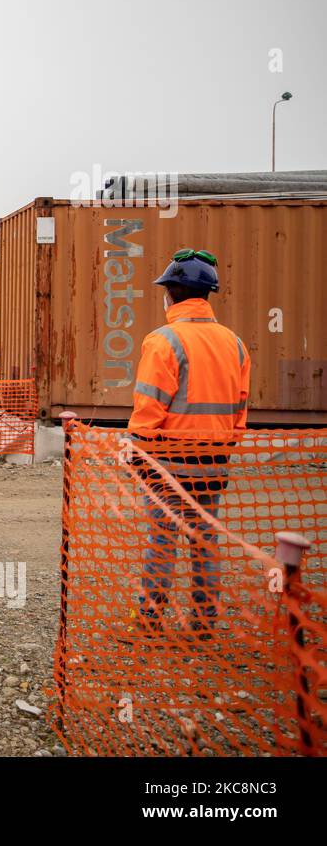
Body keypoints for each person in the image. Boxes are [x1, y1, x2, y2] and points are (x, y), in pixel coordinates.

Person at [124, 248, 250, 641]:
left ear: (172, 293)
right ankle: (203, 621)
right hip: (213, 464)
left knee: (162, 540)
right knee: (204, 540)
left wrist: (136, 450)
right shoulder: (235, 343)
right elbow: (240, 410)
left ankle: (149, 618)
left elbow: (149, 406)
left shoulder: (163, 341)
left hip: (167, 464)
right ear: (206, 295)